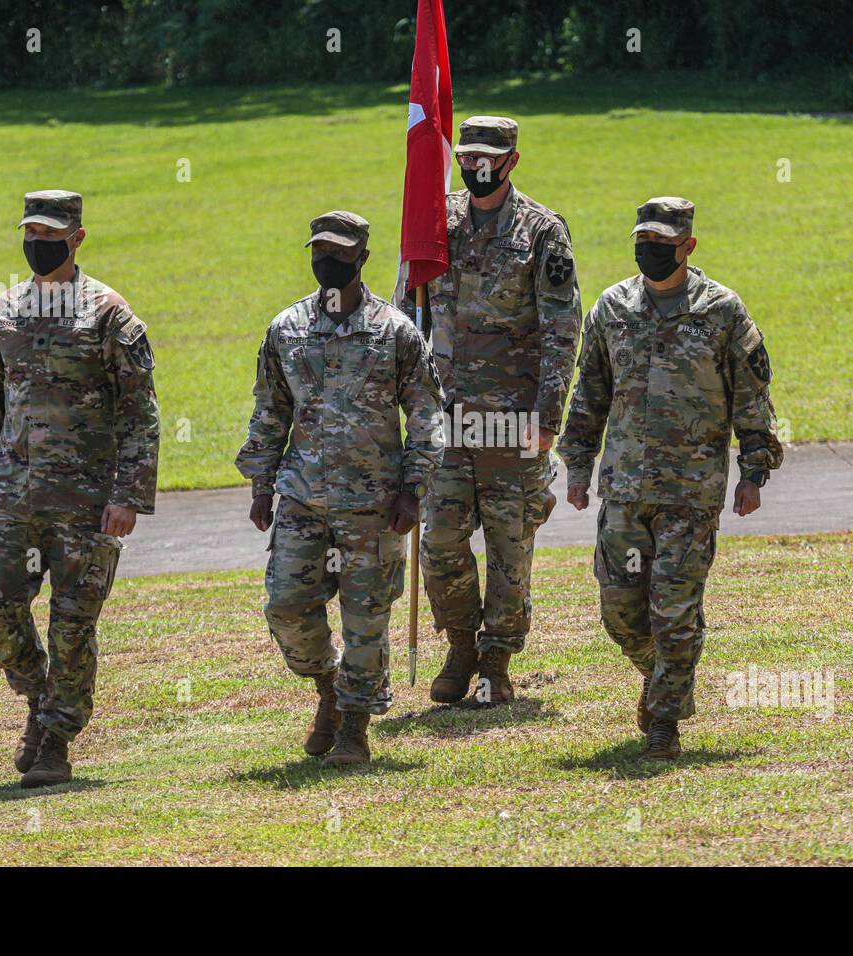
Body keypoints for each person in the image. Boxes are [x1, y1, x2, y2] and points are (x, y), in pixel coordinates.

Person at [558, 197, 783, 759]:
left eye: (661, 244)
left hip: (691, 490)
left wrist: (754, 470)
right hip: (626, 489)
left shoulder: (722, 312)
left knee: (675, 612)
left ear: (688, 246)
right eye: (643, 241)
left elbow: (752, 397)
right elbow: (589, 394)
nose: (649, 252)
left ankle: (664, 720)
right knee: (622, 613)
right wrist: (578, 467)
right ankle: (660, 674)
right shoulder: (612, 308)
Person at [236, 211, 445, 766]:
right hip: (302, 496)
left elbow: (425, 414)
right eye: (319, 249)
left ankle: (353, 726)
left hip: (374, 504)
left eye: (339, 251)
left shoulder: (394, 332)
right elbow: (269, 409)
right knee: (286, 607)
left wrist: (413, 487)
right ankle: (328, 688)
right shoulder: (286, 328)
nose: (327, 260)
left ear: (362, 259)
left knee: (366, 619)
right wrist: (261, 483)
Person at [0, 190, 160, 787]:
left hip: (86, 500)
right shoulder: (1, 313)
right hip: (13, 492)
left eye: (50, 233)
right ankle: (40, 694)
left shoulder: (108, 315)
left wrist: (129, 495)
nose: (37, 243)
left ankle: (55, 738)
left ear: (76, 238)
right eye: (29, 231)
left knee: (72, 622)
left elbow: (141, 412)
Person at [403, 115, 581, 706]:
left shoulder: (541, 231)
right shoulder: (433, 225)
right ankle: (459, 645)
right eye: (468, 157)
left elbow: (561, 330)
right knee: (441, 542)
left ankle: (497, 658)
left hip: (512, 417)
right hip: (447, 418)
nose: (477, 167)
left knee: (510, 545)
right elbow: (407, 321)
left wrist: (548, 416)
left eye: (489, 157)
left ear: (512, 161)